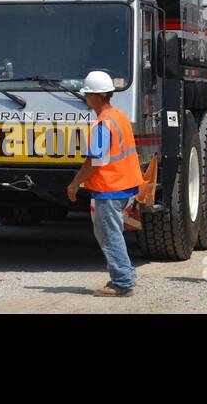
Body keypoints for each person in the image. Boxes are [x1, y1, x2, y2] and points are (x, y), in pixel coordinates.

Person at [67, 70, 143, 297]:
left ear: (98, 97)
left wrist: (74, 184)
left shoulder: (103, 124)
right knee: (112, 233)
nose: (86, 98)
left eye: (88, 94)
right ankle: (125, 274)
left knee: (109, 235)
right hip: (124, 185)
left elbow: (95, 162)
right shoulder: (119, 116)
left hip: (110, 188)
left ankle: (122, 282)